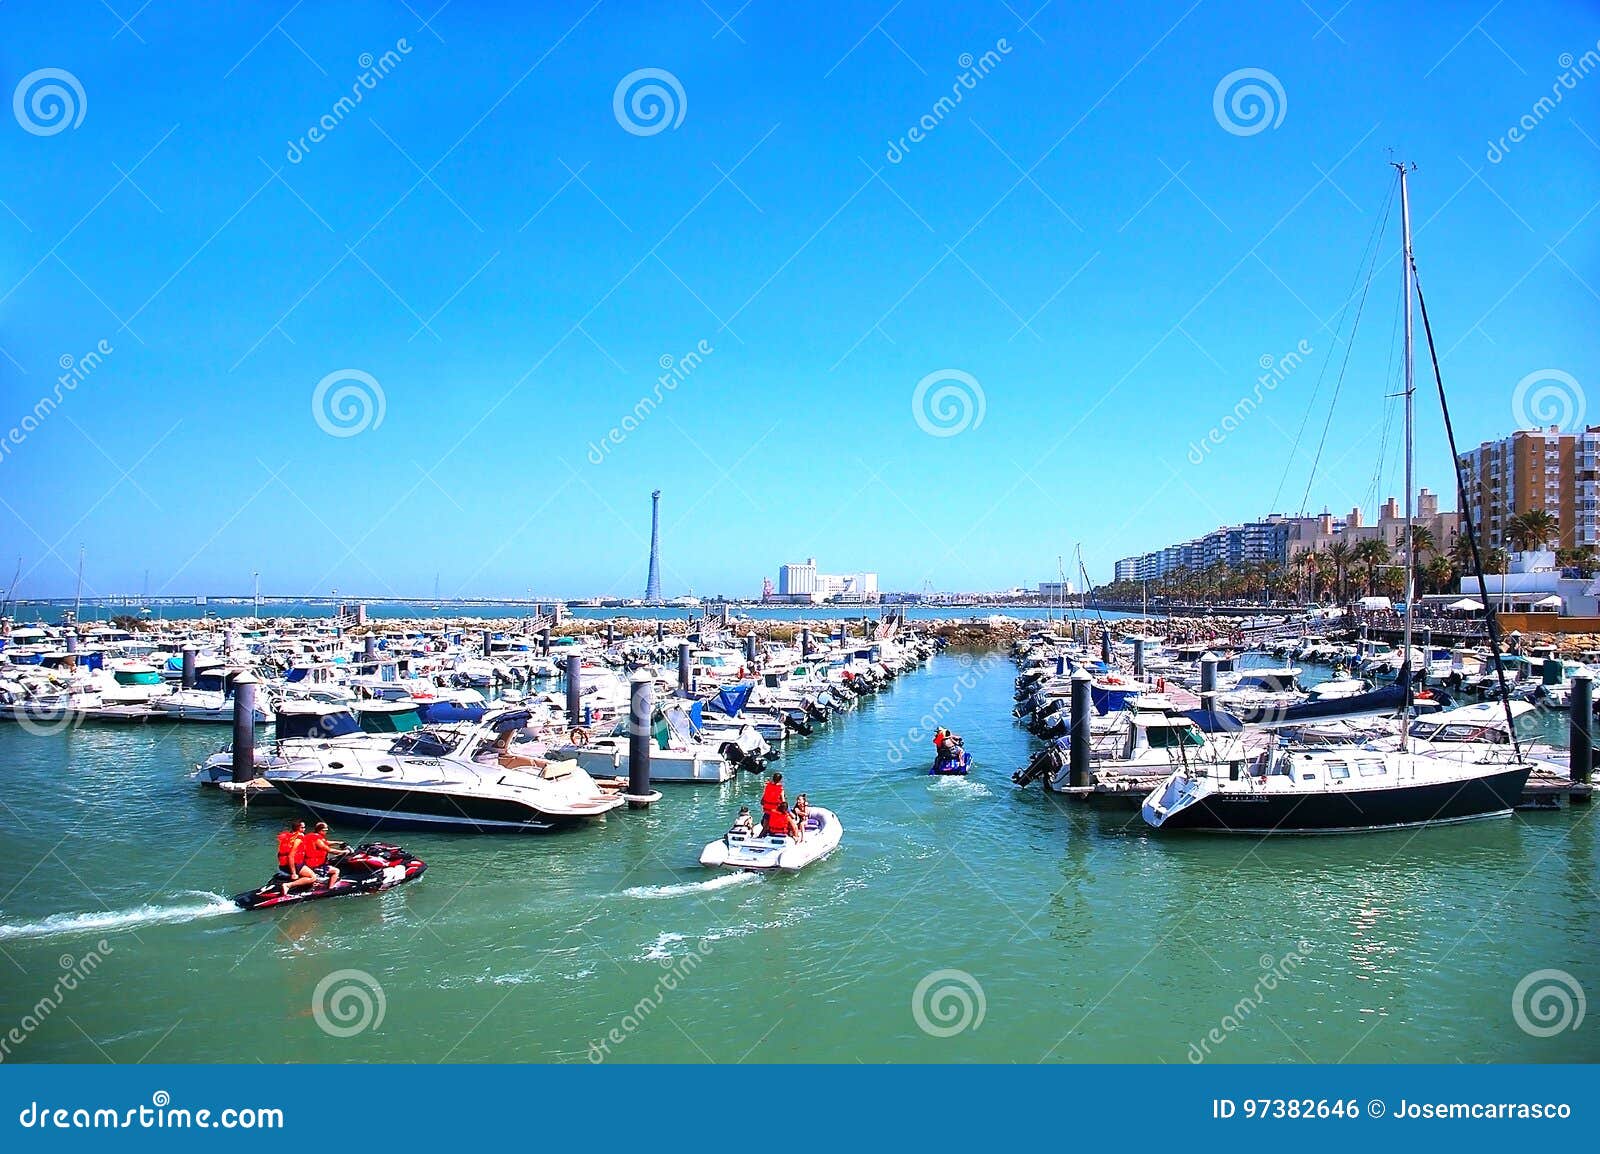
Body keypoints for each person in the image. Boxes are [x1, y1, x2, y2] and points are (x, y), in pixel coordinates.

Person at [276, 819, 316, 896]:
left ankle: (302, 885)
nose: (304, 829)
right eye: (303, 827)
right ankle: (288, 885)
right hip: (294, 864)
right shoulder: (298, 839)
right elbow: (291, 856)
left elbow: (280, 853)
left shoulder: (289, 836)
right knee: (313, 877)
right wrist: (294, 873)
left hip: (284, 865)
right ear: (298, 828)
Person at [298, 821, 343, 890]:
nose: (326, 832)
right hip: (315, 865)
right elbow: (329, 850)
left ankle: (321, 880)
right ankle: (331, 888)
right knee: (336, 871)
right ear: (320, 830)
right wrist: (343, 852)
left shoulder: (310, 835)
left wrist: (338, 842)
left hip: (306, 863)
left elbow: (326, 842)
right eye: (325, 830)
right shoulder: (317, 840)